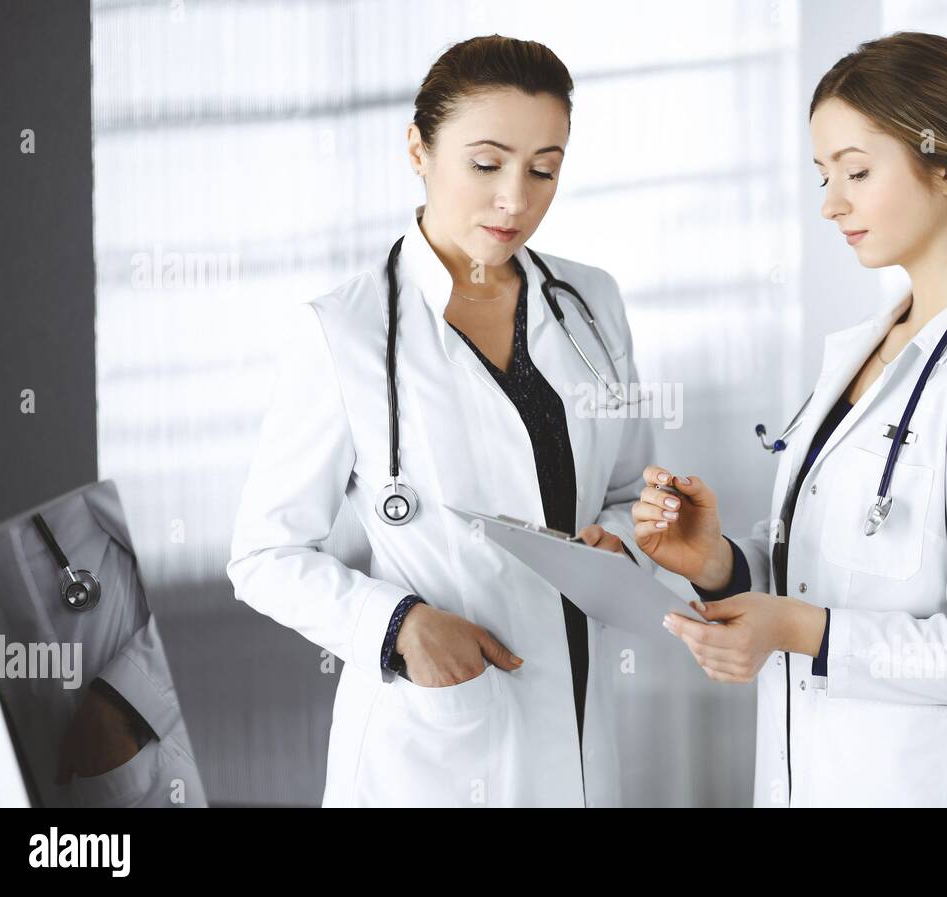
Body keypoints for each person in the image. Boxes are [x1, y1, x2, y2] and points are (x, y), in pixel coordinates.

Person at [632, 32, 947, 807]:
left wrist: (800, 630)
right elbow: (836, 573)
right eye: (823, 175)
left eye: (856, 171)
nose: (830, 202)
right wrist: (719, 565)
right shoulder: (871, 346)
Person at [227, 35, 654, 807]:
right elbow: (263, 554)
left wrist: (618, 541)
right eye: (486, 164)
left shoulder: (593, 306)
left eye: (544, 168)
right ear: (418, 150)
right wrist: (396, 626)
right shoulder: (344, 332)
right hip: (432, 745)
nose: (515, 199)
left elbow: (630, 489)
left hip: (579, 727)